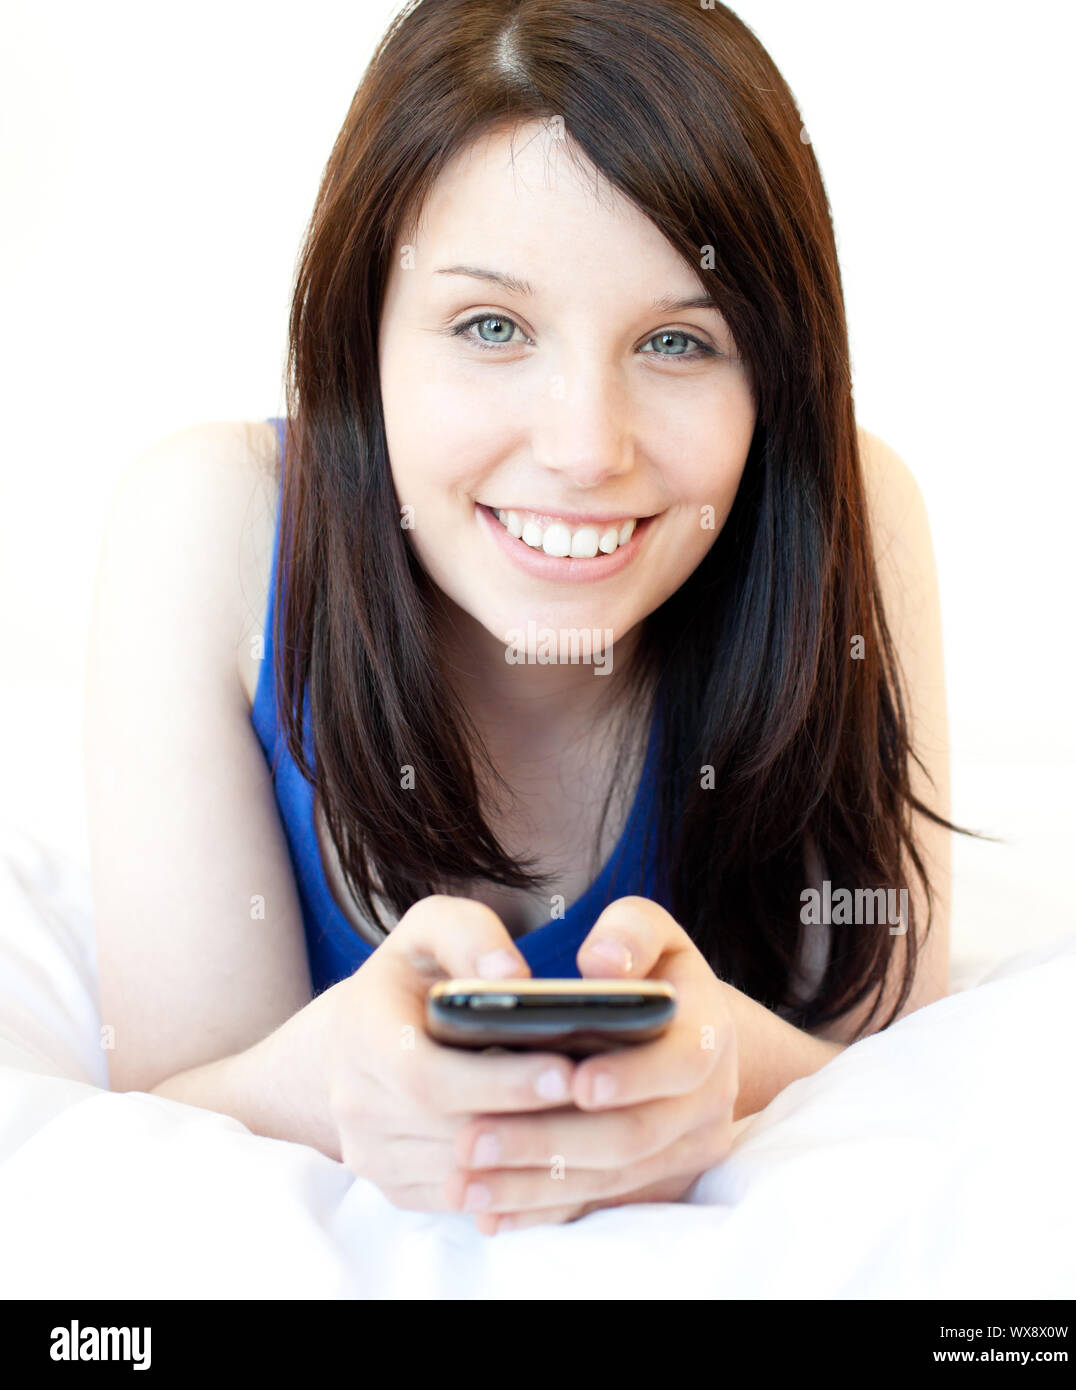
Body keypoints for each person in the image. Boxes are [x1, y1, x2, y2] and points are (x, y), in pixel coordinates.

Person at [84, 0, 963, 1237]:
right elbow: (161, 1099)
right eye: (490, 326)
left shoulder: (852, 518)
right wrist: (341, 1072)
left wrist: (726, 1066)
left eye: (675, 340)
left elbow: (929, 1076)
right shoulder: (211, 524)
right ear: (361, 338)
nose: (583, 449)